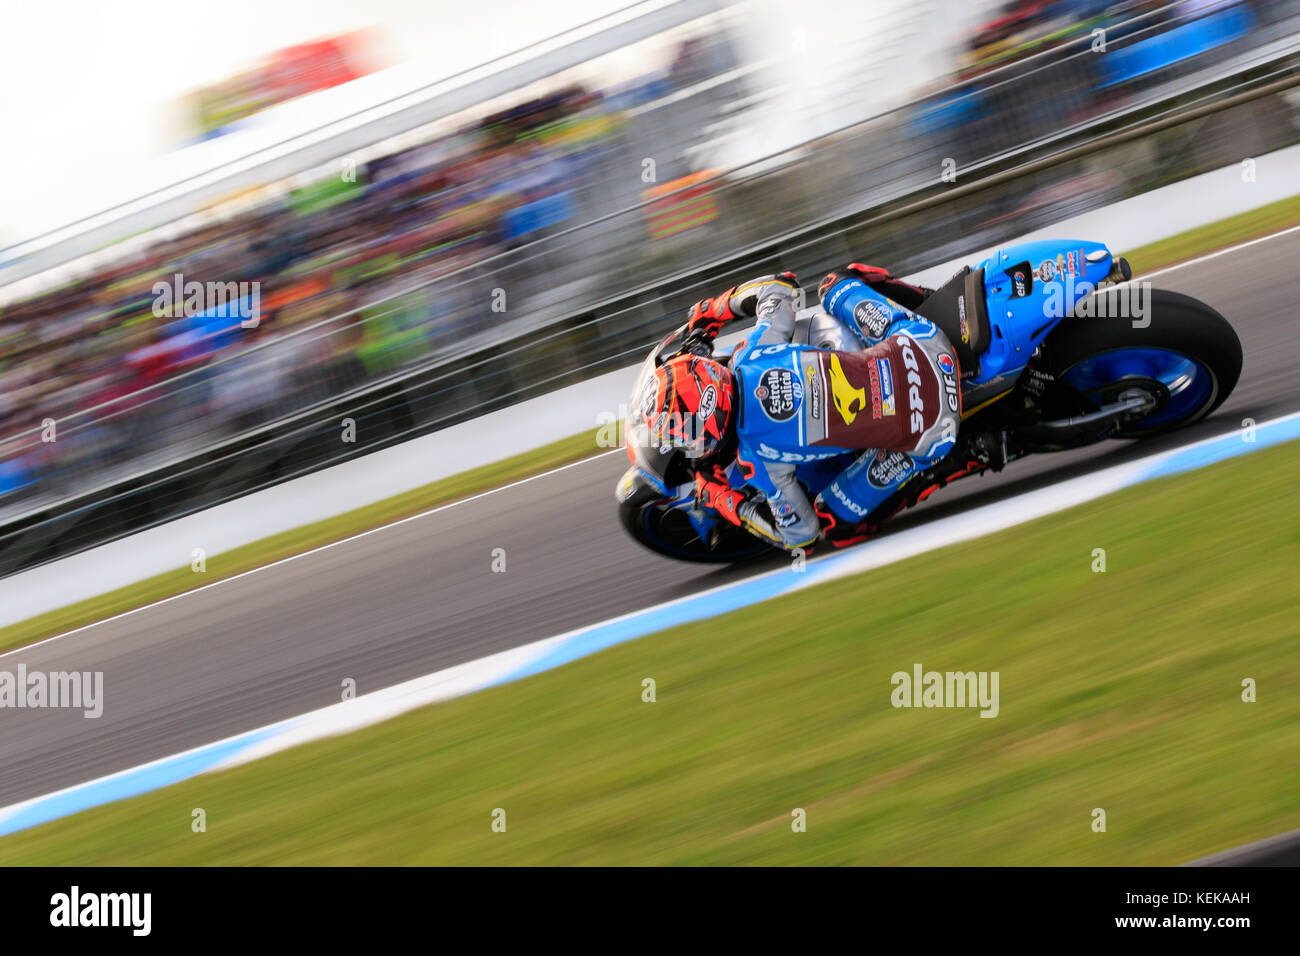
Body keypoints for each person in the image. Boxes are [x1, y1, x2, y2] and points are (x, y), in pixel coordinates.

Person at [643, 264, 962, 551]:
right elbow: (782, 285)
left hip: (934, 429)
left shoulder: (757, 460)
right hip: (924, 339)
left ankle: (947, 466)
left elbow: (801, 536)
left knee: (833, 525)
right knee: (836, 282)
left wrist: (725, 500)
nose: (686, 444)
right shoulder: (757, 349)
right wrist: (712, 311)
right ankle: (933, 301)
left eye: (684, 436)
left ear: (704, 429)